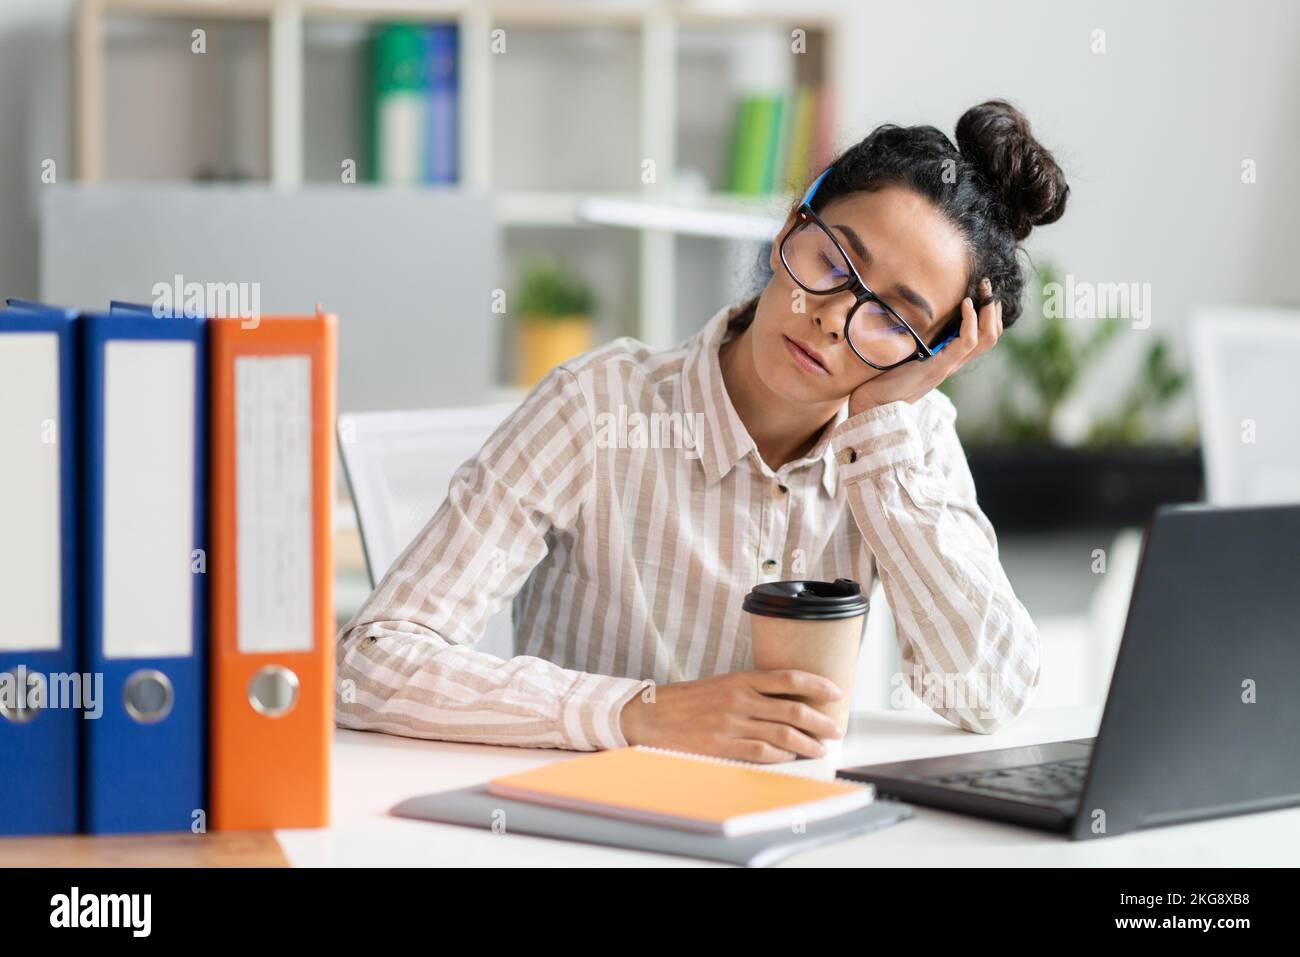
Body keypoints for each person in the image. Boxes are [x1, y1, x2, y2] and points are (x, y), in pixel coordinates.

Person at [336, 100, 1069, 763]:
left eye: (893, 317)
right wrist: (638, 711)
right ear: (793, 223)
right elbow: (371, 663)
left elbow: (991, 693)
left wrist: (881, 437)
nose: (832, 318)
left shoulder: (908, 443)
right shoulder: (598, 406)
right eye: (834, 260)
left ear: (932, 353)